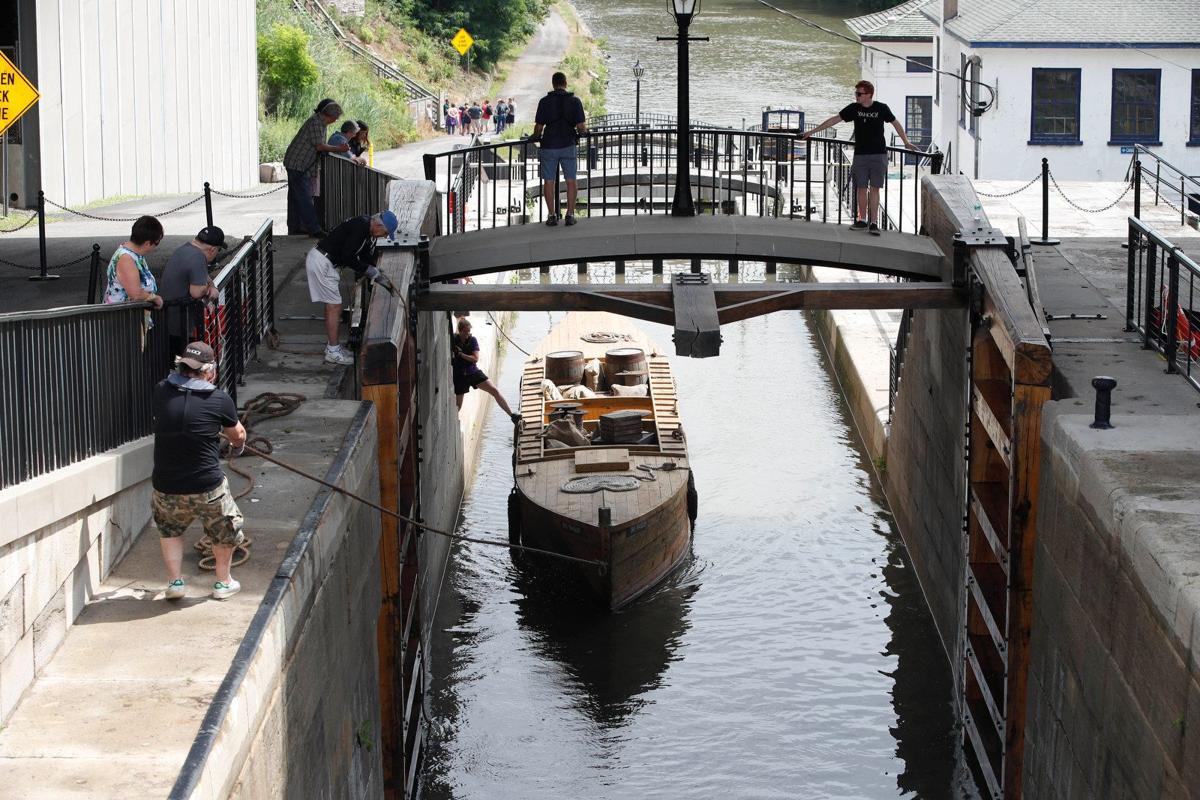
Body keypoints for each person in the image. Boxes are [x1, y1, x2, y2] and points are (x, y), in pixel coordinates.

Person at [151, 341, 247, 600]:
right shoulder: (218, 399)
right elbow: (237, 434)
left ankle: (175, 582)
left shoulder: (161, 391)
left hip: (166, 483)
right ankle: (223, 582)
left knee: (170, 529)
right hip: (207, 485)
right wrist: (238, 445)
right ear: (210, 371)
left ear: (180, 366)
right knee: (224, 528)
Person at [803, 80, 913, 235]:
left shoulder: (881, 108)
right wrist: (812, 132)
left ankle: (874, 223)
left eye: (859, 94)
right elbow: (835, 119)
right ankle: (862, 220)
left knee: (875, 188)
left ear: (868, 95)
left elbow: (895, 123)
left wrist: (906, 142)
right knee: (861, 188)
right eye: (856, 93)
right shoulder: (854, 108)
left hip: (878, 154)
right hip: (860, 155)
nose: (856, 96)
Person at [305, 211, 400, 365]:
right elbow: (347, 257)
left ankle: (333, 347)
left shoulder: (366, 230)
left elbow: (363, 256)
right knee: (334, 306)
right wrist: (371, 271)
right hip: (322, 262)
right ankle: (333, 351)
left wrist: (376, 271)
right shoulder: (360, 228)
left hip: (325, 263)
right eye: (385, 233)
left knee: (333, 305)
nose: (384, 237)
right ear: (378, 225)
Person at [283, 100, 350, 237]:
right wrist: (340, 149)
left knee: (295, 199)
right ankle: (314, 229)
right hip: (298, 164)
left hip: (298, 164)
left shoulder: (320, 123)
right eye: (335, 118)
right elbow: (319, 146)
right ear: (329, 115)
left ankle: (295, 228)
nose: (336, 120)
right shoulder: (316, 123)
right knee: (305, 198)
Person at [159, 226, 225, 357]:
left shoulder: (185, 249)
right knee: (185, 362)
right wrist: (211, 290)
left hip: (167, 318)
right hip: (179, 324)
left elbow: (203, 275)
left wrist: (210, 284)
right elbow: (196, 292)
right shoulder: (198, 257)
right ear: (212, 249)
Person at [533, 71, 587, 226]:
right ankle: (570, 215)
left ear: (553, 84)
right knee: (571, 180)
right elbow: (581, 127)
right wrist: (583, 132)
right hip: (568, 144)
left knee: (549, 181)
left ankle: (551, 215)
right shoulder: (575, 101)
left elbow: (538, 127)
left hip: (549, 145)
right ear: (566, 83)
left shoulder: (544, 102)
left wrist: (535, 136)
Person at [452, 317, 519, 422]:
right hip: (460, 376)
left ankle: (512, 415)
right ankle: (453, 421)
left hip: (472, 372)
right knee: (458, 406)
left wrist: (460, 354)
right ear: (460, 331)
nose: (467, 334)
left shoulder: (472, 340)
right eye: (465, 332)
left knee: (494, 391)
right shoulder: (454, 339)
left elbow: (475, 359)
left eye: (469, 331)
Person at [102, 215, 164, 309]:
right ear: (147, 243)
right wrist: (156, 298)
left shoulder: (135, 255)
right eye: (157, 243)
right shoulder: (126, 258)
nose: (155, 247)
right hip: (122, 318)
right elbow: (136, 294)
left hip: (133, 316)